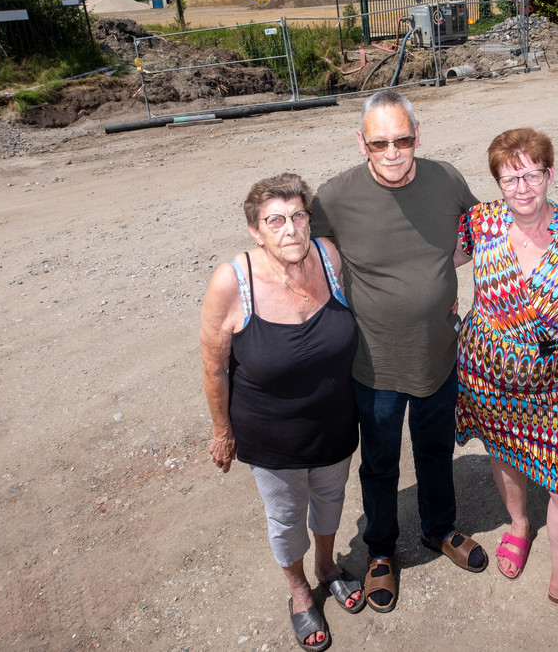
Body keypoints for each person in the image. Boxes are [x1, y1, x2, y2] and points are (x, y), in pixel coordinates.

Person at [309, 90, 488, 614]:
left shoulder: (446, 178)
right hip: (375, 363)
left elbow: (482, 231)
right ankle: (382, 552)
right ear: (361, 142)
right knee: (381, 462)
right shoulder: (334, 197)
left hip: (438, 355)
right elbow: (306, 259)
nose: (392, 152)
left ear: (417, 137)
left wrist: (451, 273)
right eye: (380, 142)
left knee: (435, 452)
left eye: (402, 140)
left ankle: (439, 529)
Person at [454, 127, 558, 622]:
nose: (522, 188)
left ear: (550, 174)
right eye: (510, 179)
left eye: (531, 175)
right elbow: (432, 265)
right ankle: (519, 524)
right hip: (488, 378)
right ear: (498, 183)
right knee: (505, 452)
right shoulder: (478, 224)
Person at [200, 173, 365, 651]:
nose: (290, 229)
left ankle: (328, 565)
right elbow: (214, 369)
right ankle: (298, 591)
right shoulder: (233, 281)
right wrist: (221, 432)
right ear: (256, 230)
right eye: (275, 220)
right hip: (272, 438)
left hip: (334, 423)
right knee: (287, 515)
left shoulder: (328, 259)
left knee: (331, 500)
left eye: (298, 216)